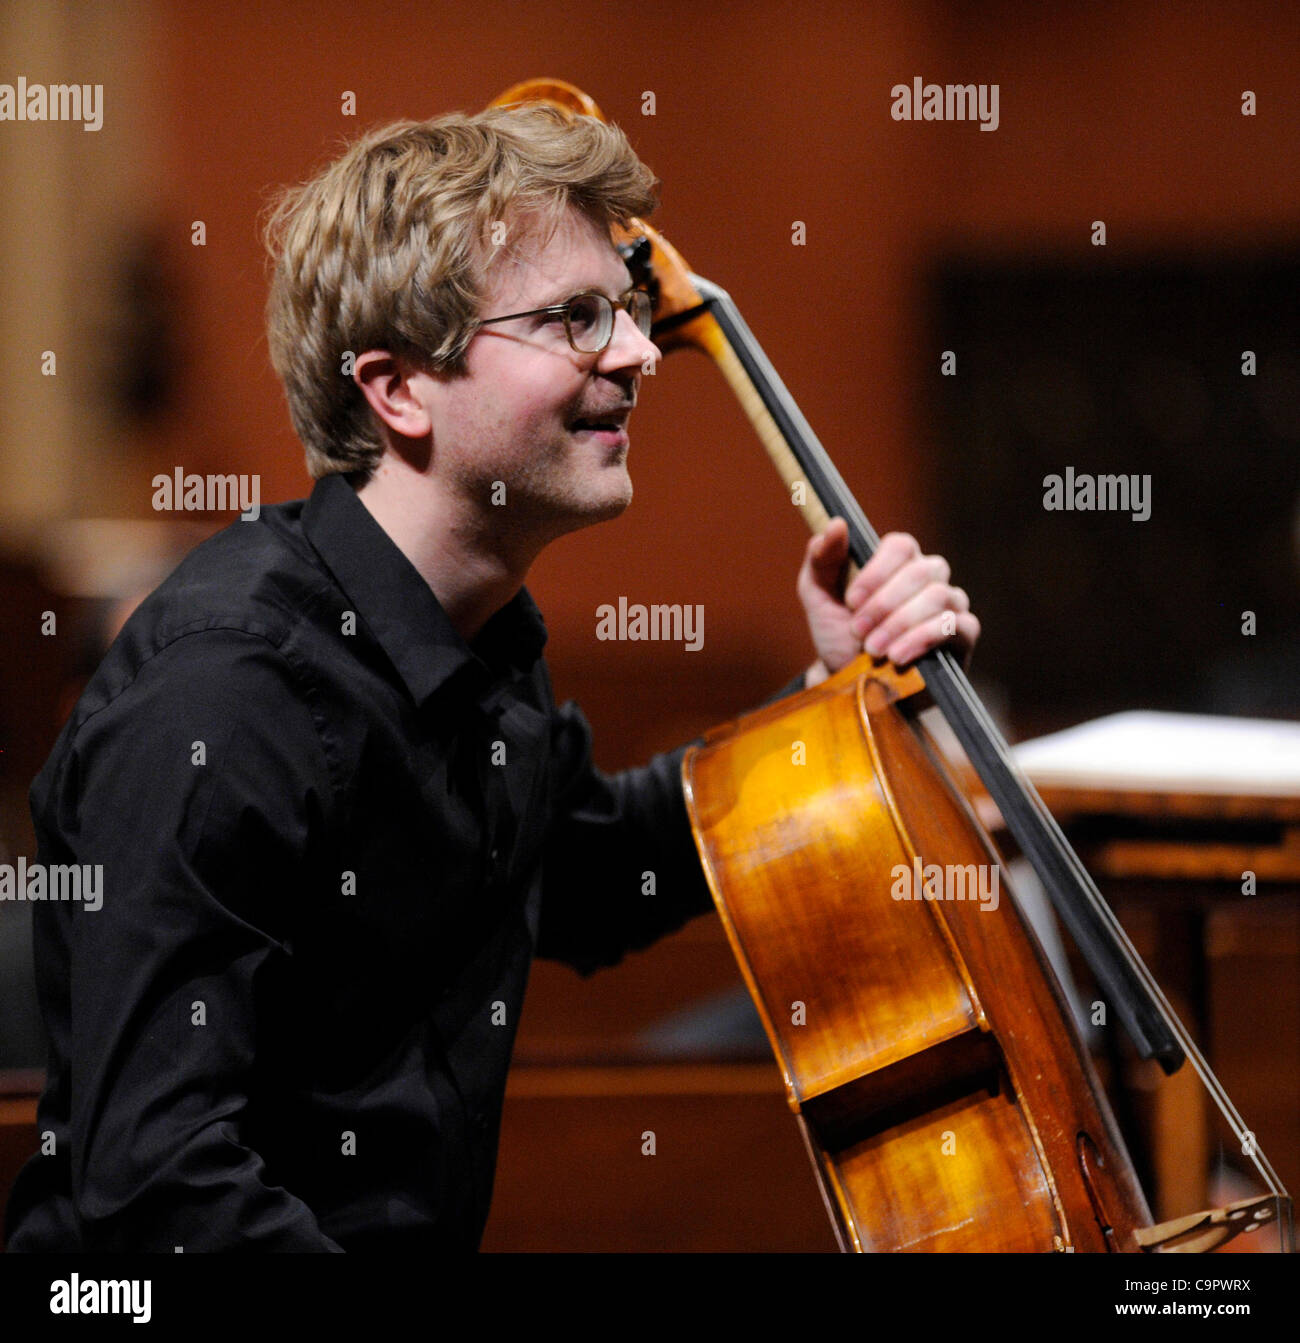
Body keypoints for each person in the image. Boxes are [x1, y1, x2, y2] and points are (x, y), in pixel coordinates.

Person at [4, 103, 978, 1252]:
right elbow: (161, 1190)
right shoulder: (220, 694)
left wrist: (831, 690)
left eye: (620, 309)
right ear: (398, 388)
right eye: (575, 318)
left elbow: (592, 873)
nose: (638, 349)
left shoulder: (480, 636)